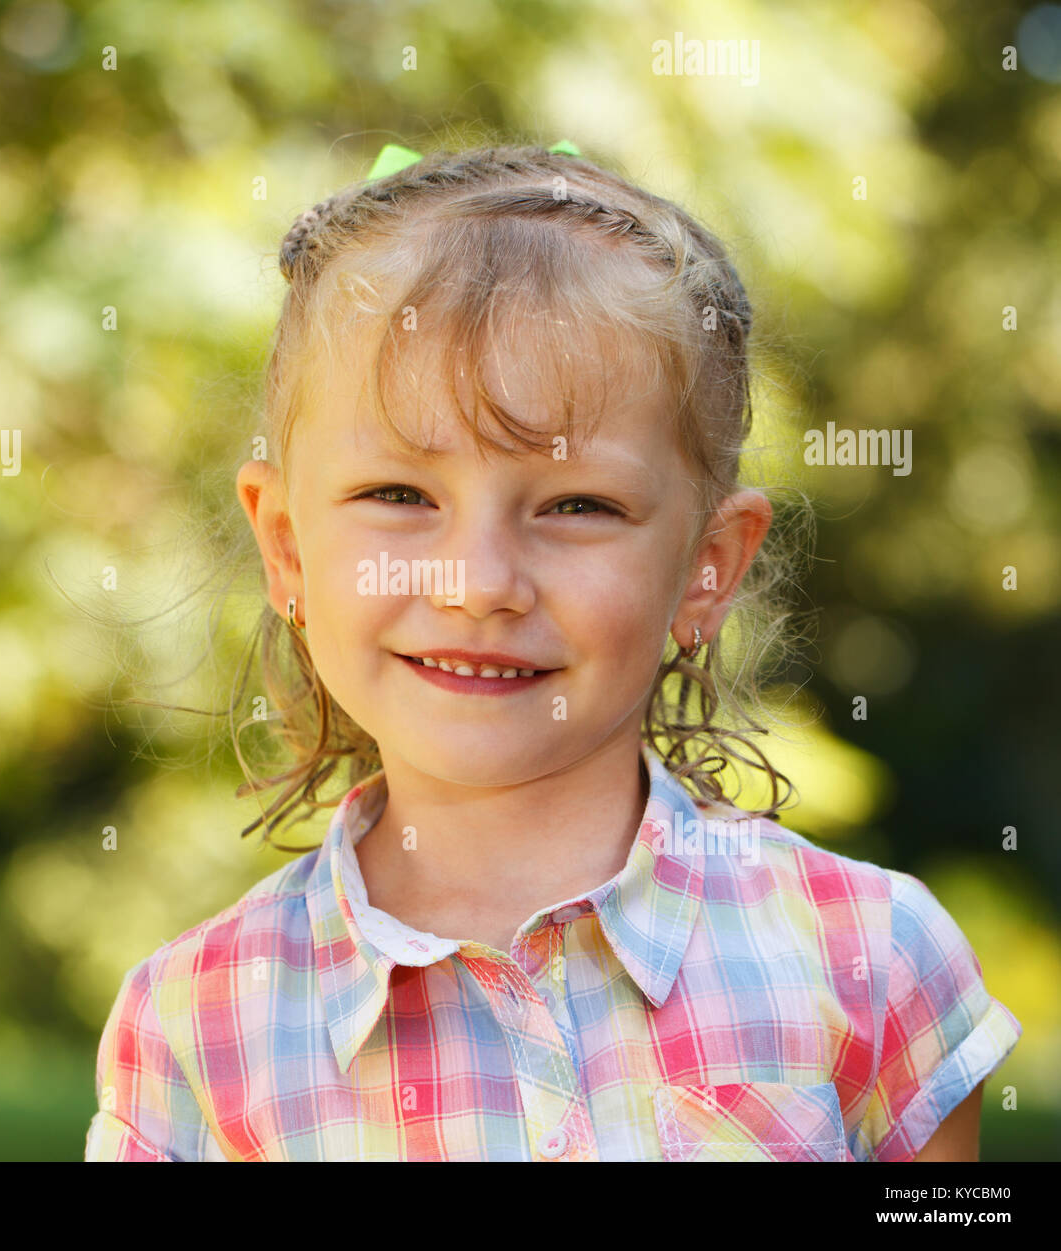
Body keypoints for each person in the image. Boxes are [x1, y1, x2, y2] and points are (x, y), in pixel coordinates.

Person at [84, 140, 1021, 1161]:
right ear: (286, 544)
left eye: (578, 505)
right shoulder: (193, 1031)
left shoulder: (869, 960)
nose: (479, 581)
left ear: (706, 566)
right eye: (398, 495)